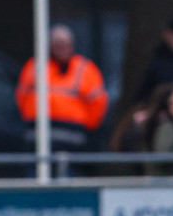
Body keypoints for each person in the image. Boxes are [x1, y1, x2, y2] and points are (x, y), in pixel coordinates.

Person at [16, 24, 109, 158]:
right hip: (38, 135)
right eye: (57, 44)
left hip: (73, 138)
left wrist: (87, 127)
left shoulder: (85, 69)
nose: (62, 49)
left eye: (65, 44)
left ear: (72, 46)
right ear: (50, 46)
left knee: (69, 174)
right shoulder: (35, 67)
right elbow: (22, 97)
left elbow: (98, 103)